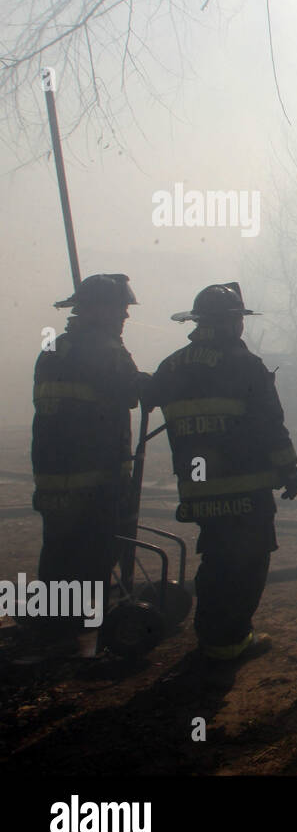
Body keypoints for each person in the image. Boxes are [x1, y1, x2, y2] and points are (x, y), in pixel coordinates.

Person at [143, 282, 297, 661]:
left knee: (216, 559)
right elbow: (269, 423)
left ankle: (212, 635)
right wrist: (288, 467)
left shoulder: (172, 365)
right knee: (246, 563)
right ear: (233, 323)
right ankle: (228, 642)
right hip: (245, 490)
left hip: (199, 490)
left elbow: (148, 396)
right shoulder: (245, 365)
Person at [30, 274, 145, 658]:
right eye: (120, 308)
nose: (125, 315)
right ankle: (84, 637)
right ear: (98, 309)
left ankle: (52, 627)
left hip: (52, 477)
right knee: (96, 552)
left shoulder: (53, 349)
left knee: (58, 550)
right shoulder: (107, 350)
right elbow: (132, 391)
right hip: (97, 478)